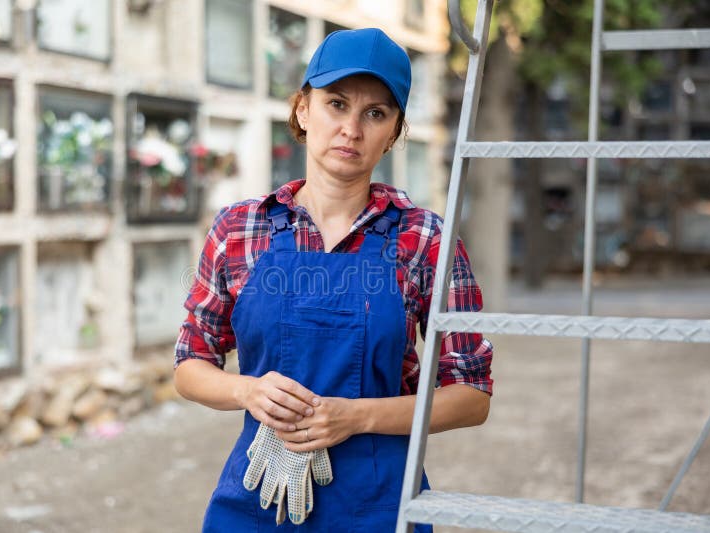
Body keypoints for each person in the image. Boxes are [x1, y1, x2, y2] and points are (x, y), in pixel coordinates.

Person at [174, 27, 493, 532]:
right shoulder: (239, 229)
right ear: (303, 109)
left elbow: (472, 396)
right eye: (337, 104)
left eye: (376, 113)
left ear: (394, 132)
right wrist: (247, 392)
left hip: (378, 507)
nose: (352, 129)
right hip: (256, 501)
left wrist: (356, 417)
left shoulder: (427, 239)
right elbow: (191, 364)